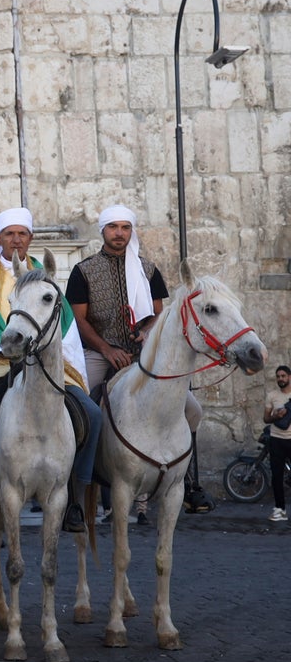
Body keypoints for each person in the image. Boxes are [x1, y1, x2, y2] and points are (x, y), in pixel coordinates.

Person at [0, 207, 102, 532]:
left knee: (92, 414)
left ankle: (76, 496)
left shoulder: (45, 277)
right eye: (9, 234)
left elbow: (64, 325)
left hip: (42, 362)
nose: (15, 239)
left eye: (21, 234)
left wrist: (41, 350)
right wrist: (9, 345)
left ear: (30, 239)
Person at [66, 204, 214, 513]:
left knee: (193, 411)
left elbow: (159, 315)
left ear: (131, 231)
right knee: (78, 410)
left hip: (142, 357)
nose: (119, 233)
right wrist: (107, 349)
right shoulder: (83, 271)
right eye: (113, 227)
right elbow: (78, 320)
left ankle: (185, 482)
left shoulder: (148, 270)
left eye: (125, 227)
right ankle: (75, 490)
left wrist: (147, 332)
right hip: (98, 353)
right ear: (103, 231)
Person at [264, 364, 291, 522]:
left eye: (283, 376)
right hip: (276, 439)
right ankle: (280, 510)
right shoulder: (272, 395)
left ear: (289, 377)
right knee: (277, 476)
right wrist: (276, 416)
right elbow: (266, 419)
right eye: (278, 376)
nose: (280, 379)